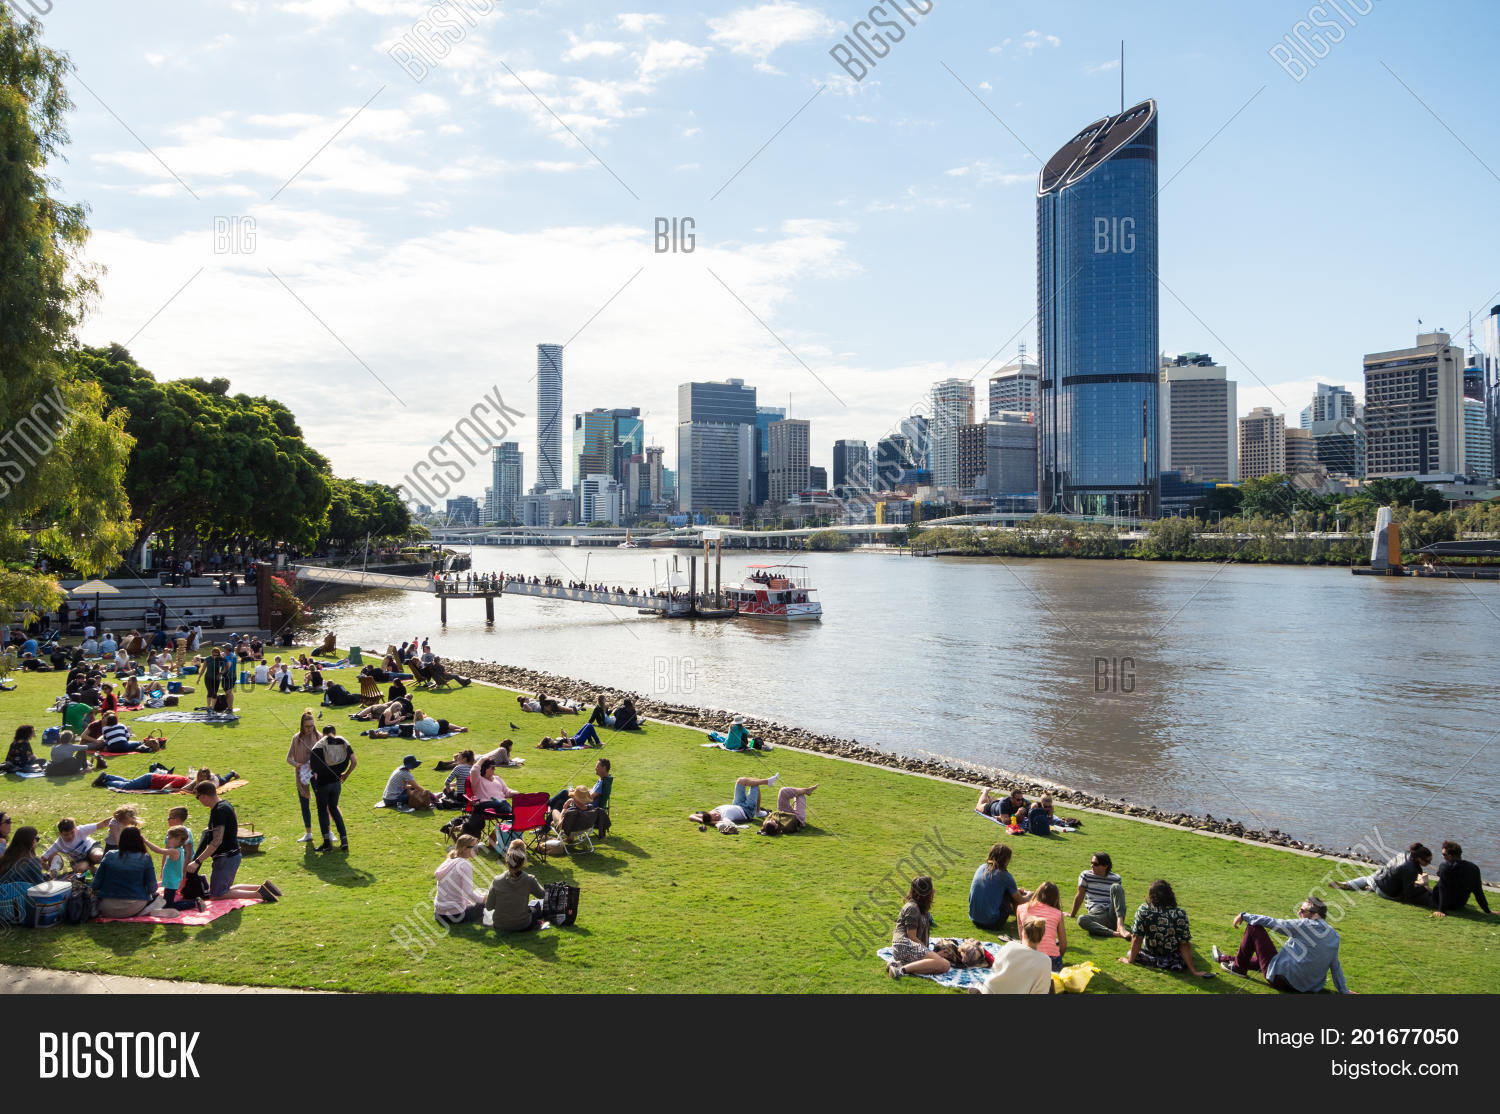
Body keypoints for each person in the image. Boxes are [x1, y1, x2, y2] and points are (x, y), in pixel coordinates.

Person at [1212, 896, 1352, 992]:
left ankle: (1238, 968)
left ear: (1315, 915)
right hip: (1308, 987)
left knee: (1254, 928)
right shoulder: (1335, 936)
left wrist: (1244, 915)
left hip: (1283, 981)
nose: (1299, 912)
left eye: (1303, 910)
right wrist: (1344, 990)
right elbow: (1335, 965)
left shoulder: (1305, 924)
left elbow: (1275, 923)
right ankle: (1223, 958)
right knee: (1270, 959)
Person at [186, 781, 278, 902]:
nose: (199, 800)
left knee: (217, 895)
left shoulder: (218, 811)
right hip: (233, 854)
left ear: (204, 796)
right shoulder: (225, 804)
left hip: (226, 858)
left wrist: (197, 862)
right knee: (226, 889)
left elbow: (216, 842)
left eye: (198, 797)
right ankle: (264, 887)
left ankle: (260, 894)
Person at [1119, 879, 1214, 977]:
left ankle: (1152, 961)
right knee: (1181, 958)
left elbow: (1137, 937)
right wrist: (1194, 971)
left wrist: (1130, 961)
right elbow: (1184, 944)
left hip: (1150, 953)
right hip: (1172, 959)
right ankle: (1167, 963)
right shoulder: (1180, 914)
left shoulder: (1143, 910)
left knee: (1131, 953)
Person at [92, 827, 175, 919]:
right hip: (134, 906)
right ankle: (146, 911)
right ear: (139, 840)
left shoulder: (109, 855)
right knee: (158, 899)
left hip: (106, 908)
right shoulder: (145, 858)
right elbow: (153, 888)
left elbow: (95, 884)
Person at [1333, 841, 1434, 906]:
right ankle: (1371, 889)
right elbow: (1409, 893)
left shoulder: (1404, 853)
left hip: (1377, 880)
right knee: (1422, 887)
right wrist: (1423, 888)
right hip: (1387, 893)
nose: (1428, 863)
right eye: (1427, 861)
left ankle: (1349, 883)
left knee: (1366, 878)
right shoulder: (1411, 869)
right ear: (1419, 858)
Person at [886, 875, 949, 978]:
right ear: (925, 893)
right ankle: (900, 970)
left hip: (909, 947)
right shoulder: (912, 908)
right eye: (931, 889)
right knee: (944, 964)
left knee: (942, 962)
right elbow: (912, 937)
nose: (934, 891)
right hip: (904, 945)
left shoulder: (923, 910)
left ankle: (899, 964)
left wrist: (934, 954)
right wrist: (931, 954)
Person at [308, 727, 355, 853]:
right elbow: (354, 762)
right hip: (336, 783)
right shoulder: (343, 743)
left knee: (323, 811)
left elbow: (313, 767)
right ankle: (344, 840)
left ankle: (327, 843)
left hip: (323, 784)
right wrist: (345, 774)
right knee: (334, 809)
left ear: (323, 734)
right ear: (334, 733)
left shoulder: (320, 745)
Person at [982, 917, 1057, 995]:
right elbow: (1041, 991)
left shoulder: (1010, 945)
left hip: (990, 989)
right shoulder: (1045, 960)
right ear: (1042, 935)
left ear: (1023, 933)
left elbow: (996, 967)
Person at [485, 840, 546, 932]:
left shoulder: (497, 880)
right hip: (523, 924)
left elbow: (489, 906)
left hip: (500, 924)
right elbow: (543, 895)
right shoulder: (529, 880)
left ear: (507, 860)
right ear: (523, 861)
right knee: (536, 908)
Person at [969, 843, 1026, 934]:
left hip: (974, 918)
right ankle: (1020, 920)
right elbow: (1021, 900)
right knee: (1011, 894)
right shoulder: (1004, 876)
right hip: (992, 923)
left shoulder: (981, 868)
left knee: (1008, 891)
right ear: (1006, 860)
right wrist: (1033, 895)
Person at [1071, 851, 1130, 939]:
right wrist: (1072, 914)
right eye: (1091, 863)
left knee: (1116, 887)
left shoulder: (1116, 878)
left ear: (1105, 866)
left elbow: (1118, 900)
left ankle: (1120, 925)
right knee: (1082, 919)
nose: (1092, 866)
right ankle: (1114, 933)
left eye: (1095, 864)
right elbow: (1080, 895)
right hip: (1097, 914)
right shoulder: (1086, 875)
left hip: (1112, 912)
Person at [1431, 841, 1494, 917]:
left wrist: (1441, 910)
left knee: (1423, 889)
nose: (1443, 857)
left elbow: (1443, 888)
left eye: (1444, 854)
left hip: (1438, 902)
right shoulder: (1474, 868)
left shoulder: (1444, 866)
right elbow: (1478, 891)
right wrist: (1487, 910)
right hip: (1459, 905)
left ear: (1450, 856)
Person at [689, 775, 780, 827]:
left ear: (709, 812)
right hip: (747, 810)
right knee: (755, 785)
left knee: (740, 780)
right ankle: (757, 811)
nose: (717, 815)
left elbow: (691, 816)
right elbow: (727, 823)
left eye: (714, 815)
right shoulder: (724, 818)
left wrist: (703, 821)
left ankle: (767, 783)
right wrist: (713, 822)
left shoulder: (707, 815)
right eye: (716, 818)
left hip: (737, 803)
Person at [434, 835, 486, 924]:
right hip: (455, 915)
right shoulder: (465, 865)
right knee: (485, 903)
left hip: (439, 913)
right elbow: (468, 893)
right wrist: (484, 899)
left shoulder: (449, 860)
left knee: (477, 895)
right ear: (464, 848)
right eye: (474, 847)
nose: (477, 850)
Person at [1017, 881, 1068, 972]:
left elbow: (1022, 937)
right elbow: (1063, 945)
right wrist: (1058, 957)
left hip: (1027, 956)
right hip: (1050, 960)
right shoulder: (1058, 913)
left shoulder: (1021, 908)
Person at [0, 827, 46, 924]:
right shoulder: (32, 861)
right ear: (30, 841)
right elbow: (41, 888)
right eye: (36, 838)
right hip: (21, 910)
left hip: (3, 911)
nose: (37, 841)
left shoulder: (5, 858)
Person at [287, 710, 318, 844]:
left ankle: (328, 830)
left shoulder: (319, 737)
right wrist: (297, 764)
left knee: (322, 804)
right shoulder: (296, 738)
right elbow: (288, 758)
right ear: (302, 725)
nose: (309, 729)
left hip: (317, 774)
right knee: (304, 804)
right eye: (307, 726)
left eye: (311, 726)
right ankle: (308, 833)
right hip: (302, 775)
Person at [40, 815, 110, 874]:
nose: (70, 836)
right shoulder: (58, 844)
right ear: (60, 834)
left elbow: (102, 824)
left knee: (97, 856)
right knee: (80, 869)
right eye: (66, 835)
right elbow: (43, 859)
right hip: (79, 860)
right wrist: (50, 870)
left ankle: (112, 868)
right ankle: (99, 873)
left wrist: (117, 817)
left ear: (75, 828)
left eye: (72, 832)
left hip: (91, 849)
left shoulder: (81, 830)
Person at [468, 754, 518, 819]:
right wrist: (482, 759)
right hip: (485, 804)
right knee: (505, 807)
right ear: (485, 768)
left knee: (507, 806)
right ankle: (513, 815)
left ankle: (514, 818)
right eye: (493, 767)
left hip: (501, 803)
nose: (495, 769)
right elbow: (474, 770)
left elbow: (506, 791)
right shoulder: (477, 780)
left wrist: (514, 792)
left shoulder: (497, 778)